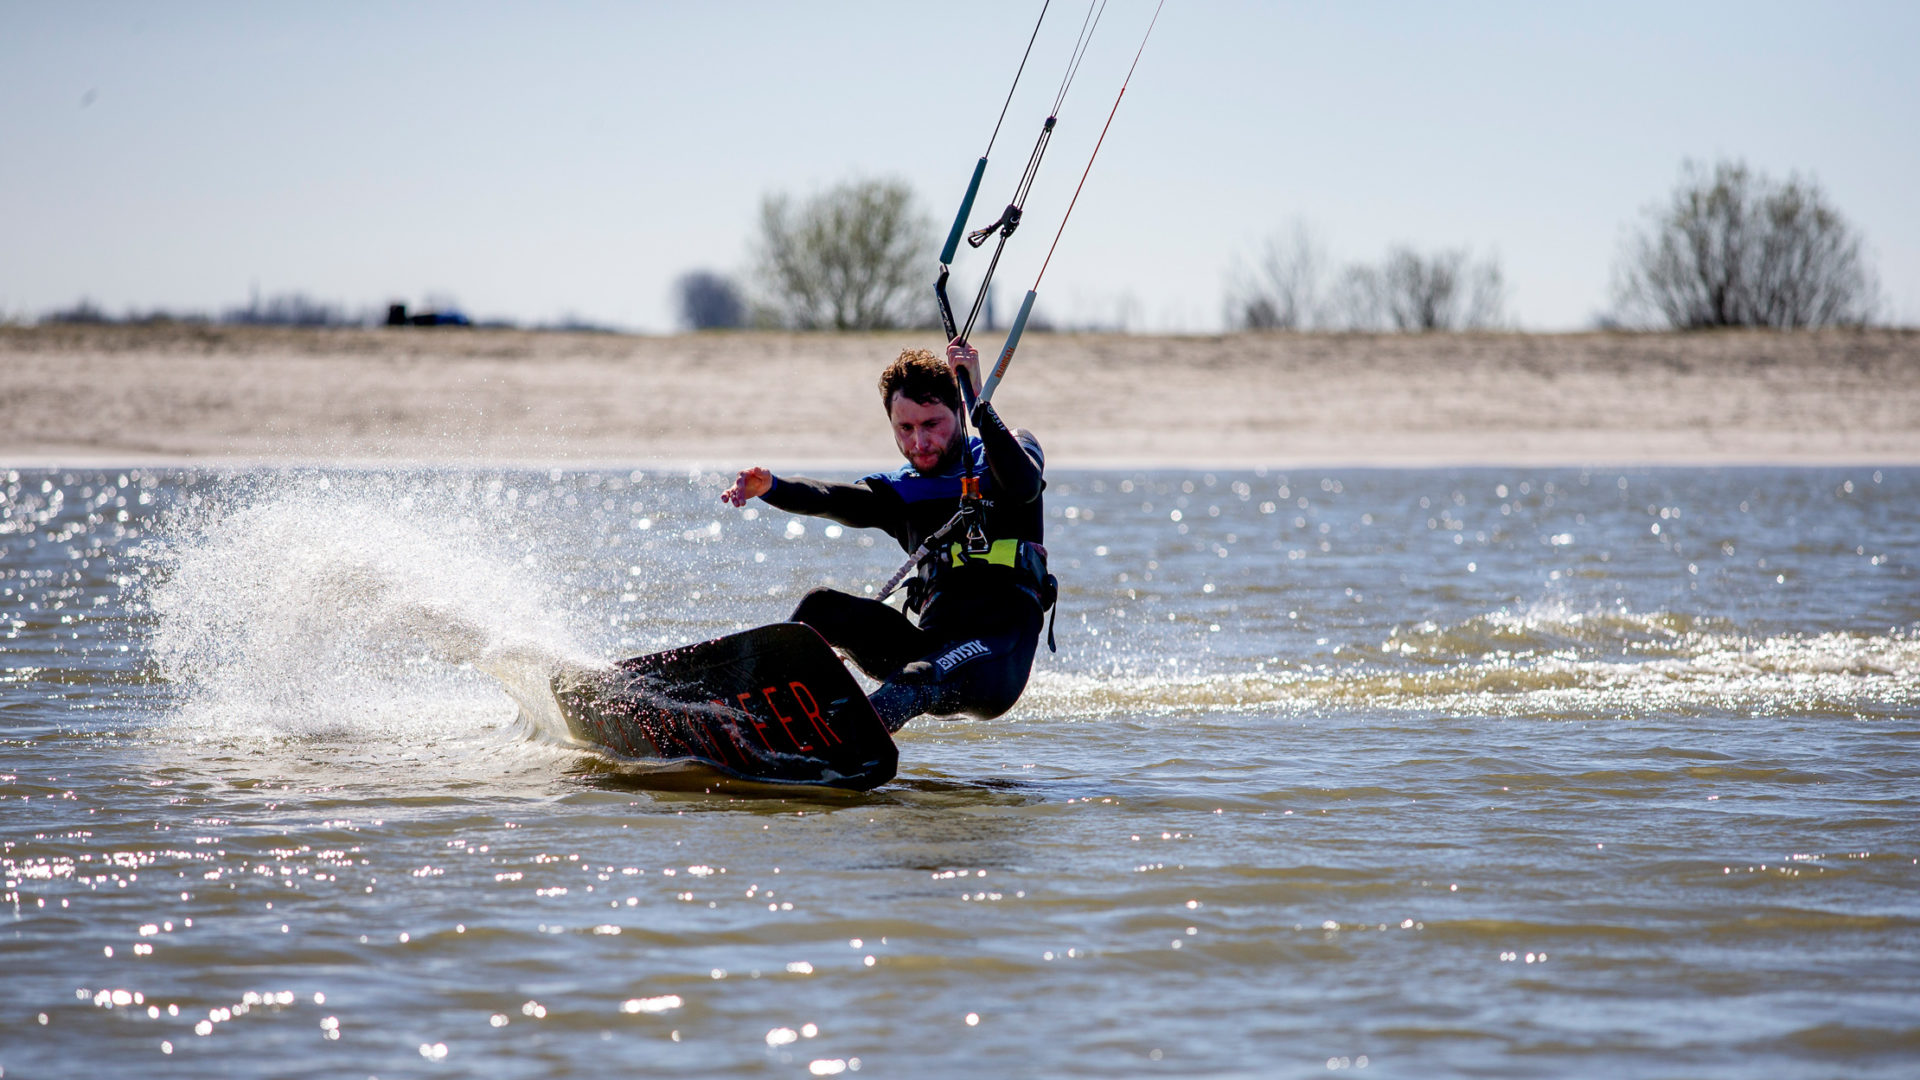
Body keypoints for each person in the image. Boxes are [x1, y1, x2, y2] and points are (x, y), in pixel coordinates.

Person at [720, 341, 1055, 732]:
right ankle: (741, 713)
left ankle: (839, 741)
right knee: (821, 608)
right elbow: (831, 497)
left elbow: (1024, 486)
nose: (919, 442)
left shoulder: (1008, 453)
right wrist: (772, 486)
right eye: (906, 428)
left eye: (932, 424)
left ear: (960, 412)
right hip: (929, 644)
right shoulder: (901, 492)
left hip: (996, 654)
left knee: (915, 678)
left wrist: (979, 400)